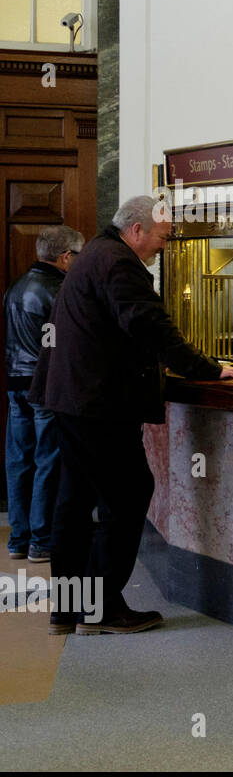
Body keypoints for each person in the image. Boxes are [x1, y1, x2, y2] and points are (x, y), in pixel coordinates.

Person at [28, 195, 233, 636]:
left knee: (73, 503)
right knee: (128, 494)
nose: (164, 246)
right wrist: (207, 368)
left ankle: (69, 609)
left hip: (72, 398)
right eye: (162, 237)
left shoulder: (94, 253)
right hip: (98, 404)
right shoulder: (119, 263)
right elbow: (150, 326)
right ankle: (102, 608)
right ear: (136, 231)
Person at [4, 225, 84, 561]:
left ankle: (18, 539)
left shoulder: (15, 287)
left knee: (19, 461)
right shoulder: (61, 289)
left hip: (15, 384)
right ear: (66, 256)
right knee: (48, 461)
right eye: (77, 255)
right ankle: (41, 539)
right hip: (45, 387)